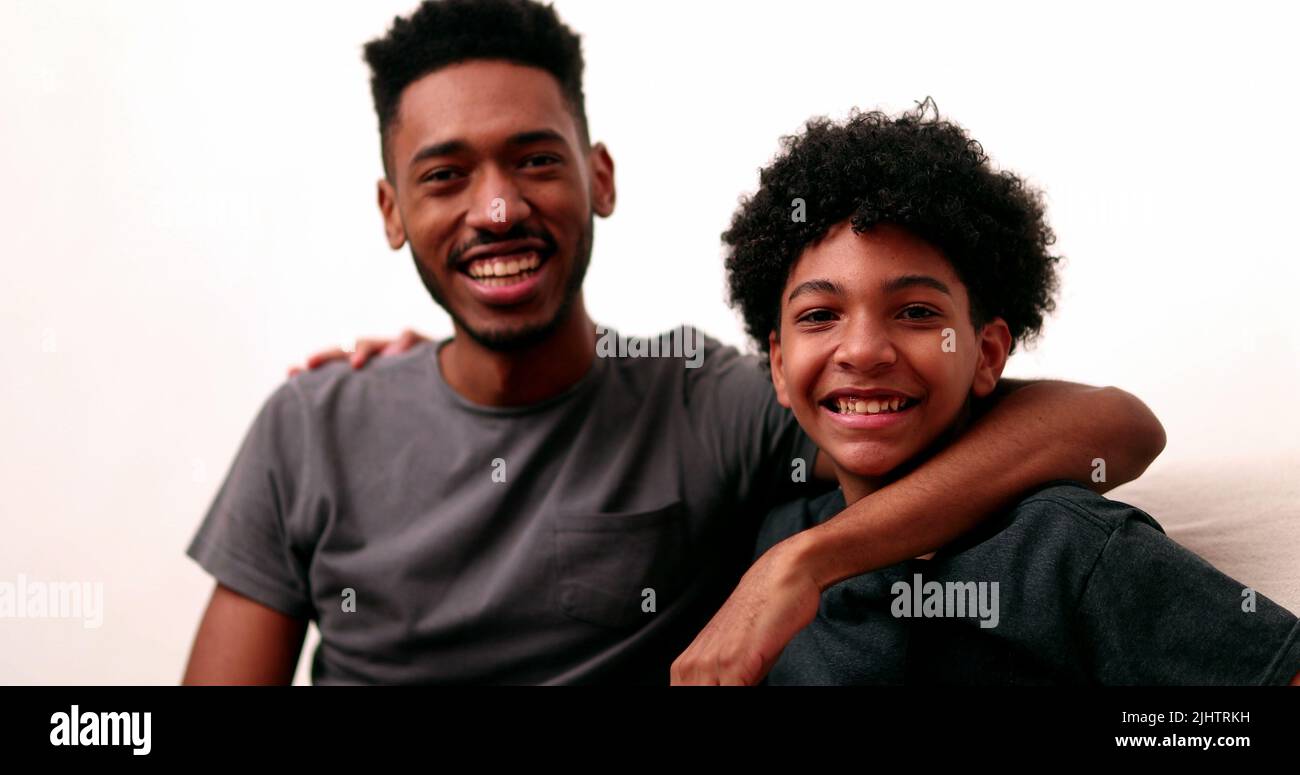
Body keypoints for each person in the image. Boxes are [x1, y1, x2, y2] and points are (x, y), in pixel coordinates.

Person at [183, 0, 1167, 685]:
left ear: (599, 177)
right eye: (445, 176)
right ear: (393, 210)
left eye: (534, 160)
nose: (496, 207)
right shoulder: (308, 426)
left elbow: (1110, 427)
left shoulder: (709, 399)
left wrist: (806, 561)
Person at [721, 102, 1300, 684]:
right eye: (820, 315)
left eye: (917, 312)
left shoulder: (1062, 545)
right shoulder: (776, 532)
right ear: (777, 365)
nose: (864, 350)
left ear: (989, 354)